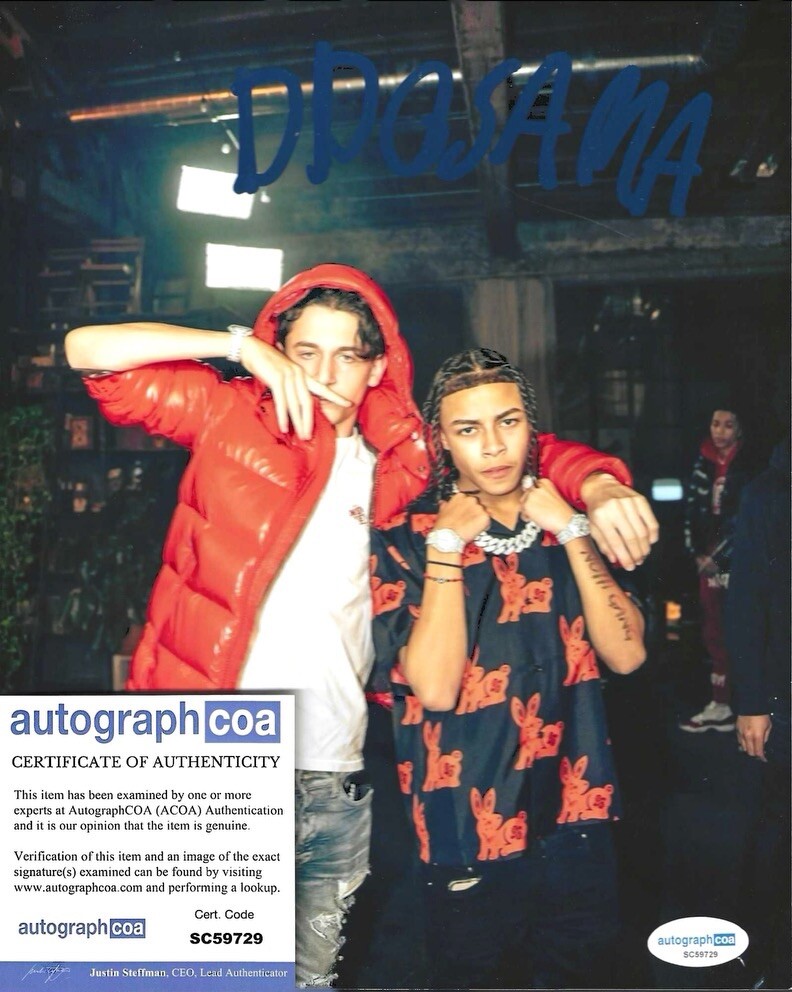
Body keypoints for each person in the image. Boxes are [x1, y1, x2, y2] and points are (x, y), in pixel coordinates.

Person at [64, 265, 658, 987]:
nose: (323, 375)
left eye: (347, 355)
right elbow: (88, 350)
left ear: (376, 366)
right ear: (279, 351)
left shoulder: (397, 463)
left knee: (308, 977)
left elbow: (504, 445)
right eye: (304, 352)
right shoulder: (226, 414)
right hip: (201, 750)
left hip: (330, 768)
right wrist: (238, 347)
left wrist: (598, 482)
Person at [371, 348, 646, 989]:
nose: (494, 446)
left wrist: (573, 530)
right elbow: (435, 689)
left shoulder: (567, 524)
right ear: (442, 440)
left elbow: (628, 654)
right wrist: (446, 546)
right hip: (466, 830)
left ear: (532, 427)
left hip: (578, 816)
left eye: (509, 422)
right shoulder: (404, 538)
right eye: (468, 429)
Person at [725, 438, 790, 989]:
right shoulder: (768, 493)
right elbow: (745, 601)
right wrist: (750, 703)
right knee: (778, 832)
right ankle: (759, 961)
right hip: (785, 696)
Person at [679, 405, 755, 733]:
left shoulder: (750, 465)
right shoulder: (702, 461)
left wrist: (722, 560)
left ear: (739, 430)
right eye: (715, 424)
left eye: (727, 425)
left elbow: (748, 520)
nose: (719, 431)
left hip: (739, 560)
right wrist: (698, 555)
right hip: (708, 560)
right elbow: (691, 511)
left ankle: (749, 706)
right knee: (713, 629)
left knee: (745, 628)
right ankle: (720, 704)